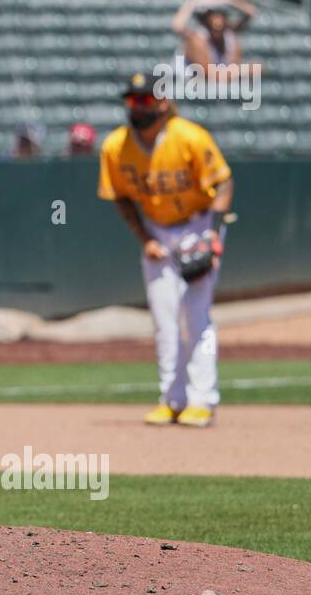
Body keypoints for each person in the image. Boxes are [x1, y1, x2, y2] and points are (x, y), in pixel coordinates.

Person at [97, 73, 234, 428]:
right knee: (163, 321)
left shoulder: (189, 136)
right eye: (132, 101)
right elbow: (121, 198)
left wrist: (213, 236)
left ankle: (202, 399)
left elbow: (223, 182)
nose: (136, 107)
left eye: (144, 100)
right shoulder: (115, 146)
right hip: (157, 232)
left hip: (197, 225)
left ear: (163, 102)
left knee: (195, 316)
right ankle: (172, 400)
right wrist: (146, 239)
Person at [170, 0, 256, 75]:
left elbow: (251, 11)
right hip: (183, 85)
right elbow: (208, 74)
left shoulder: (229, 37)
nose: (217, 30)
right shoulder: (197, 38)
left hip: (212, 86)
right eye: (214, 28)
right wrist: (193, 2)